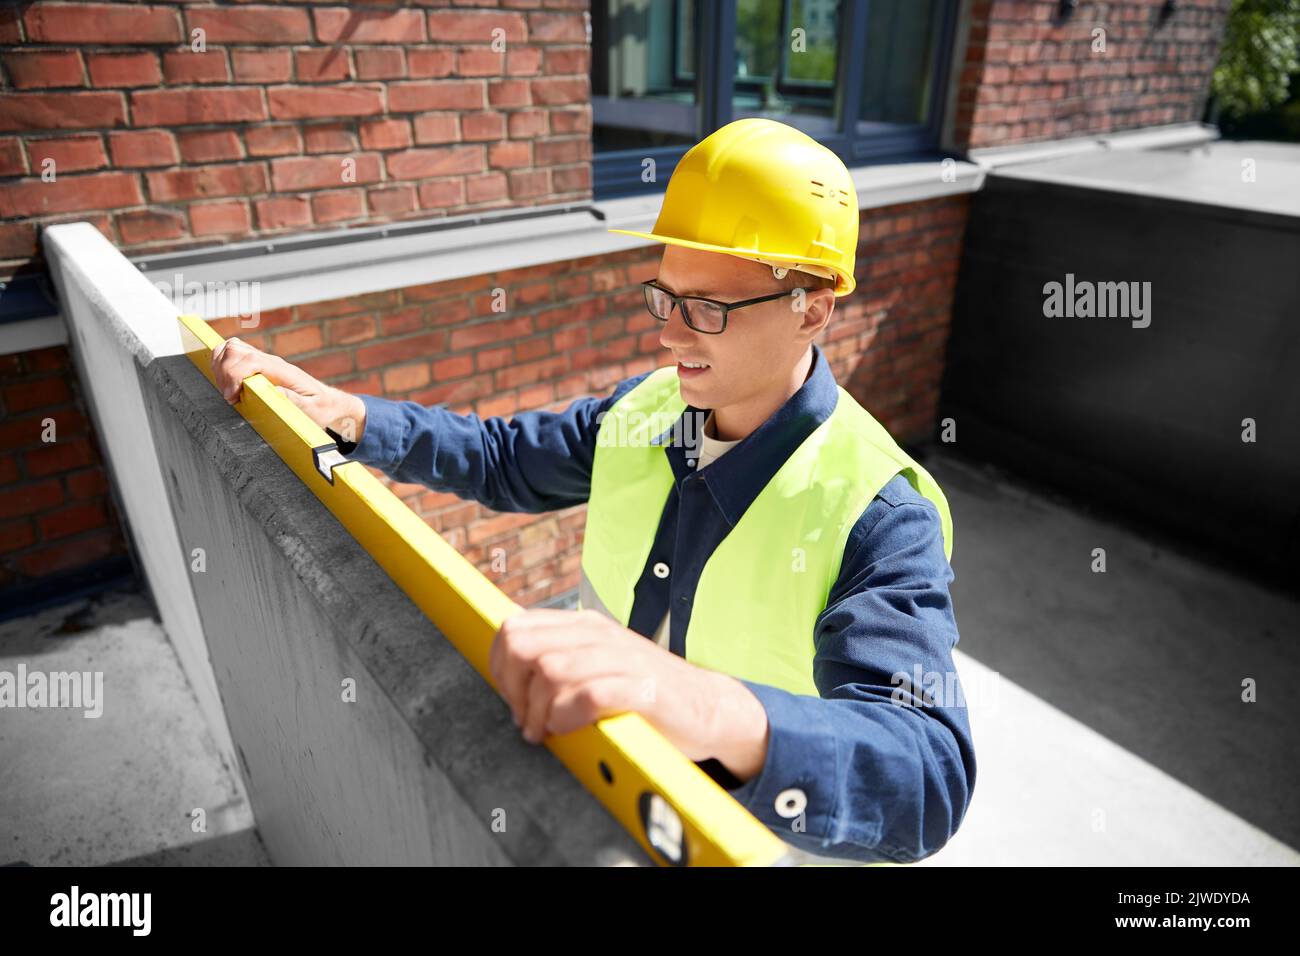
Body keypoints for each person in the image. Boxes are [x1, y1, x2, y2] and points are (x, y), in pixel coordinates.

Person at [211, 118, 975, 863]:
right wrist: (355, 416)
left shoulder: (879, 512)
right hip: (599, 805)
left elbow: (927, 775)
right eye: (663, 296)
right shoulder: (646, 412)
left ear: (813, 308)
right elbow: (503, 458)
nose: (670, 335)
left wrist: (697, 705)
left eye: (707, 309)